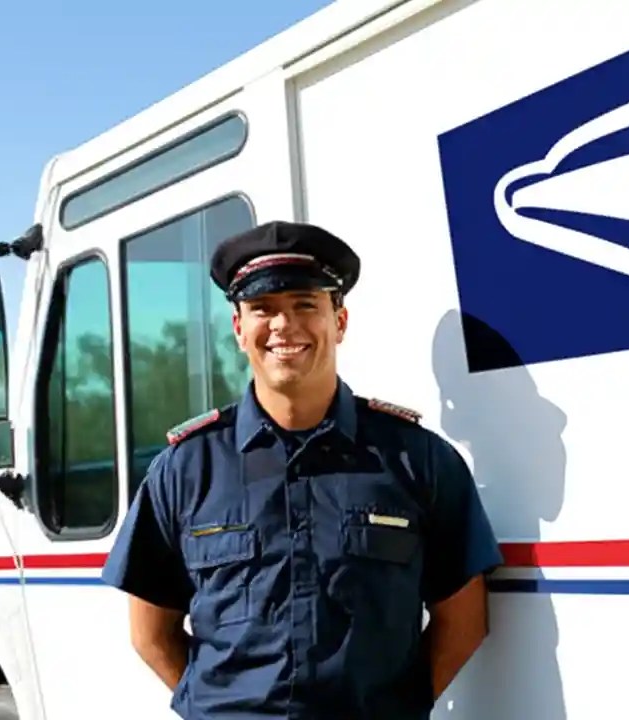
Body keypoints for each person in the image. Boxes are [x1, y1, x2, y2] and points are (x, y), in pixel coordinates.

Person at [101, 220, 503, 719]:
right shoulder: (185, 469)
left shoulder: (417, 459)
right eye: (262, 309)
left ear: (340, 321)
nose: (282, 325)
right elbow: (150, 633)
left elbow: (463, 621)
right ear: (238, 329)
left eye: (305, 306)